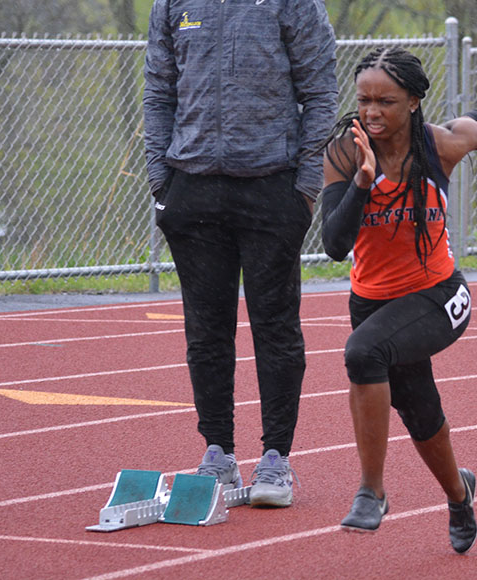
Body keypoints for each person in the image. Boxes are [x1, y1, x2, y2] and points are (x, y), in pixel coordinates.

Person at [319, 47, 477, 552]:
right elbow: (334, 245)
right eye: (364, 100)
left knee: (362, 353)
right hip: (372, 301)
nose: (371, 112)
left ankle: (371, 491)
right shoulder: (345, 152)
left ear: (414, 102)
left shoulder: (442, 145)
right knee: (420, 413)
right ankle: (460, 494)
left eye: (386, 102)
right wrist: (363, 183)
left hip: (437, 293)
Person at [142, 0, 337, 508]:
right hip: (192, 185)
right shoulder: (172, 4)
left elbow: (319, 91)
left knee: (275, 326)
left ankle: (276, 458)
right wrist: (162, 182)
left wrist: (306, 187)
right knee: (206, 330)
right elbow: (158, 93)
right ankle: (217, 453)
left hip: (272, 186)